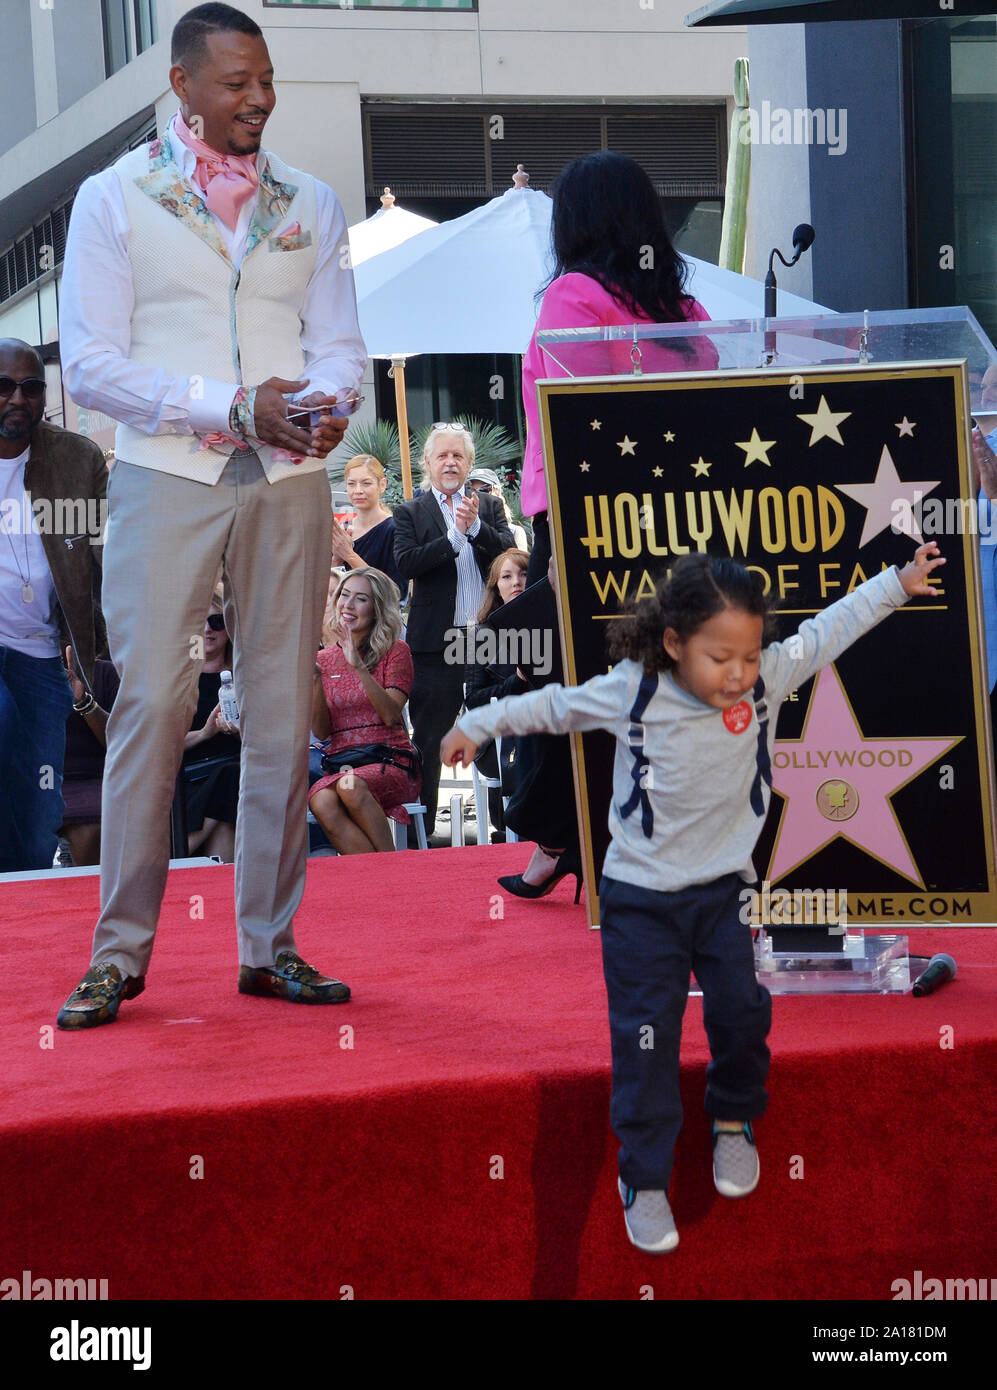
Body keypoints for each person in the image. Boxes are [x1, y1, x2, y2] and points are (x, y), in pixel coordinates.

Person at [442, 543, 945, 1254]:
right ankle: (643, 1178)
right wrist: (475, 725)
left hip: (724, 895)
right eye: (718, 658)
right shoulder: (634, 688)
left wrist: (896, 582)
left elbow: (830, 628)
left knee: (742, 1012)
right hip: (639, 898)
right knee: (646, 1038)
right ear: (673, 643)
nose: (736, 674)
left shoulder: (764, 678)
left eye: (747, 655)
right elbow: (552, 706)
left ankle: (733, 1118)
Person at [56, 3, 366, 1029]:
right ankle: (118, 955)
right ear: (182, 85)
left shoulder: (310, 200)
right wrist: (225, 406)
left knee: (281, 705)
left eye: (265, 80)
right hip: (167, 471)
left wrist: (328, 407)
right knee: (151, 699)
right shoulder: (112, 199)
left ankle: (270, 948)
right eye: (235, 83)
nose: (258, 100)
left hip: (289, 479)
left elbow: (341, 347)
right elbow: (92, 364)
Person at [510, 150, 718, 897]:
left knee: (573, 680)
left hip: (581, 518)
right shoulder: (684, 313)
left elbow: (572, 419)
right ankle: (597, 837)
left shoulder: (572, 295)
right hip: (668, 524)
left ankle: (571, 837)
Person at [0, 339, 106, 873]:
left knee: (41, 799)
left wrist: (101, 653)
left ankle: (19, 898)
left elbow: (104, 561)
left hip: (46, 656)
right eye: (4, 386)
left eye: (31, 386)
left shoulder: (75, 460)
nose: (17, 398)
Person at [393, 423, 515, 838]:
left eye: (457, 456)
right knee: (429, 743)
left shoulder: (488, 506)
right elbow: (406, 564)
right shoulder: (410, 512)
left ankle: (507, 828)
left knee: (497, 735)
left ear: (469, 463)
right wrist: (452, 537)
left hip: (486, 639)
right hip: (435, 645)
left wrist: (477, 529)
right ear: (428, 463)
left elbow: (510, 556)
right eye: (442, 455)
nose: (450, 462)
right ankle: (421, 836)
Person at [308, 567, 419, 854]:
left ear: (377, 609)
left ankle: (391, 871)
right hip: (342, 761)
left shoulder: (396, 651)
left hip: (390, 758)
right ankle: (378, 878)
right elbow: (321, 732)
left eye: (360, 599)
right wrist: (315, 682)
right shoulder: (322, 658)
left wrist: (357, 666)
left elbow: (391, 715)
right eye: (344, 595)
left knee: (348, 786)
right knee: (320, 799)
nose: (348, 604)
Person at [464, 548, 530, 842]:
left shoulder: (555, 626)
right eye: (507, 576)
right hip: (498, 739)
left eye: (523, 573)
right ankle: (518, 826)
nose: (516, 581)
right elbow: (474, 700)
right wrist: (515, 682)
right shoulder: (481, 636)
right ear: (496, 587)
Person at [181, 595, 240, 862]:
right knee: (230, 782)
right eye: (199, 622)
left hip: (235, 769)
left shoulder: (245, 678)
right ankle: (183, 852)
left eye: (216, 622)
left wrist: (241, 731)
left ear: (229, 627)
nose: (207, 629)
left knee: (233, 774)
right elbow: (163, 744)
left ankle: (180, 853)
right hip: (192, 776)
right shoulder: (178, 682)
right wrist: (206, 733)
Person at [60, 650, 120, 867]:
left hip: (94, 778)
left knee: (92, 818)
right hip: (37, 779)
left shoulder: (106, 673)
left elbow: (118, 741)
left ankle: (83, 887)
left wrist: (83, 701)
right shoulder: (21, 672)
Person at [331, 453, 405, 595]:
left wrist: (350, 556)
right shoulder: (343, 528)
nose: (358, 490)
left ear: (382, 485)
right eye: (351, 484)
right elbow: (330, 586)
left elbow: (395, 591)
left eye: (366, 483)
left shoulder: (394, 530)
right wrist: (336, 560)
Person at [467, 467, 529, 552]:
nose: (477, 497)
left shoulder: (515, 531)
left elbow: (521, 563)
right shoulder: (463, 531)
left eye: (484, 490)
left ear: (498, 492)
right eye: (472, 491)